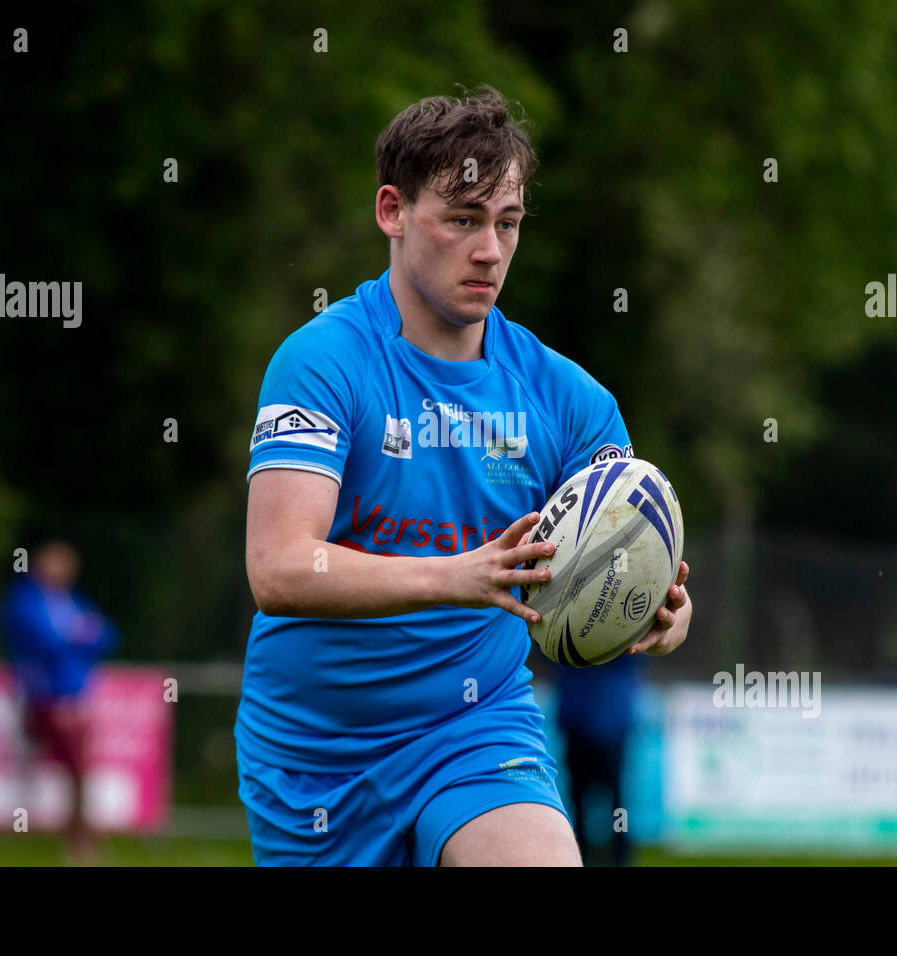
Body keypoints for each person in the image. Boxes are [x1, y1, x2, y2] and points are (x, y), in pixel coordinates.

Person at [236, 85, 692, 867]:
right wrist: (459, 576)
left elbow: (626, 543)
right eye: (463, 219)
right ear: (392, 210)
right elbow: (278, 567)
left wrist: (658, 611)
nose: (490, 250)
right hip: (317, 752)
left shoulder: (569, 400)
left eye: (507, 223)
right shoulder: (321, 364)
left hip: (475, 730)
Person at [0, 539, 119, 863]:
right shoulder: (25, 600)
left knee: (78, 771)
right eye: (55, 562)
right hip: (44, 699)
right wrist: (79, 635)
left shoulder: (74, 601)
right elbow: (46, 642)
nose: (61, 569)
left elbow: (107, 636)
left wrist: (75, 636)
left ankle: (80, 838)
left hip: (74, 698)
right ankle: (71, 838)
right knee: (61, 769)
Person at [555, 651, 645, 867]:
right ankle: (580, 857)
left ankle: (620, 857)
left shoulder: (626, 637)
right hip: (579, 727)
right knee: (578, 803)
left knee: (618, 805)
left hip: (610, 729)